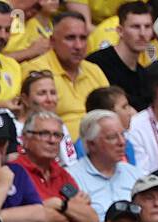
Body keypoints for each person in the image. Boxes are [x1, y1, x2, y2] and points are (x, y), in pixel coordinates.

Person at [15, 109, 100, 222]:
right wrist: (73, 212)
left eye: (57, 135)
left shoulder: (61, 173)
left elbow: (92, 221)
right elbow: (44, 220)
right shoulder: (15, 171)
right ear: (25, 139)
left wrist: (59, 205)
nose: (52, 140)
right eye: (44, 134)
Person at [19, 11, 106, 141]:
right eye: (70, 38)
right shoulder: (35, 70)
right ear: (52, 41)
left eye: (83, 38)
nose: (78, 46)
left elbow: (110, 112)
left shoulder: (94, 70)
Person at [68, 108, 144, 222]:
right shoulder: (71, 178)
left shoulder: (136, 175)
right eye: (112, 137)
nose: (122, 142)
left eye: (123, 134)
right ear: (91, 144)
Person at [86, 0, 152, 111]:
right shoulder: (97, 63)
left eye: (147, 26)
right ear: (120, 31)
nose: (142, 33)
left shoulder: (145, 75)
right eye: (135, 27)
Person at [13, 69, 78, 169]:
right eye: (42, 93)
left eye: (53, 93)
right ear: (25, 99)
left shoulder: (59, 126)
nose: (49, 99)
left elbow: (71, 166)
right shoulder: (12, 128)